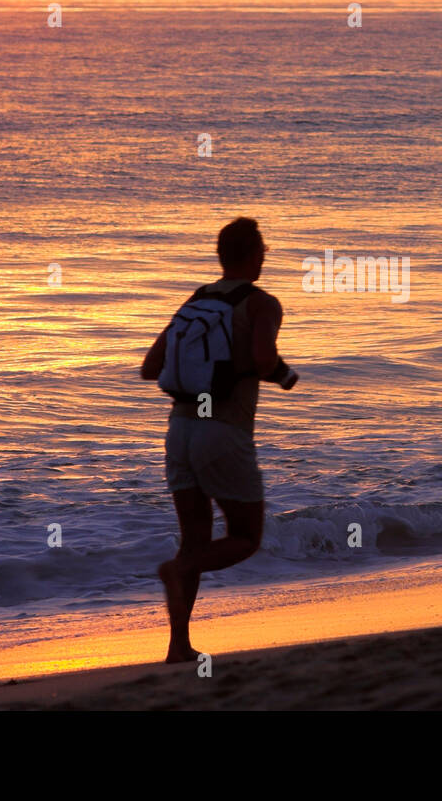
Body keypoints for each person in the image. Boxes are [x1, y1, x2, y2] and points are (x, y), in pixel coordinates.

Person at [141, 217, 297, 663]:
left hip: (179, 432)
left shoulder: (196, 300)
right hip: (223, 432)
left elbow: (150, 368)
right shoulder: (262, 303)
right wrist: (279, 374)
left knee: (194, 538)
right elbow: (265, 358)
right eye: (263, 249)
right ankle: (178, 571)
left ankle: (178, 647)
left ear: (220, 256)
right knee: (245, 536)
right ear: (256, 254)